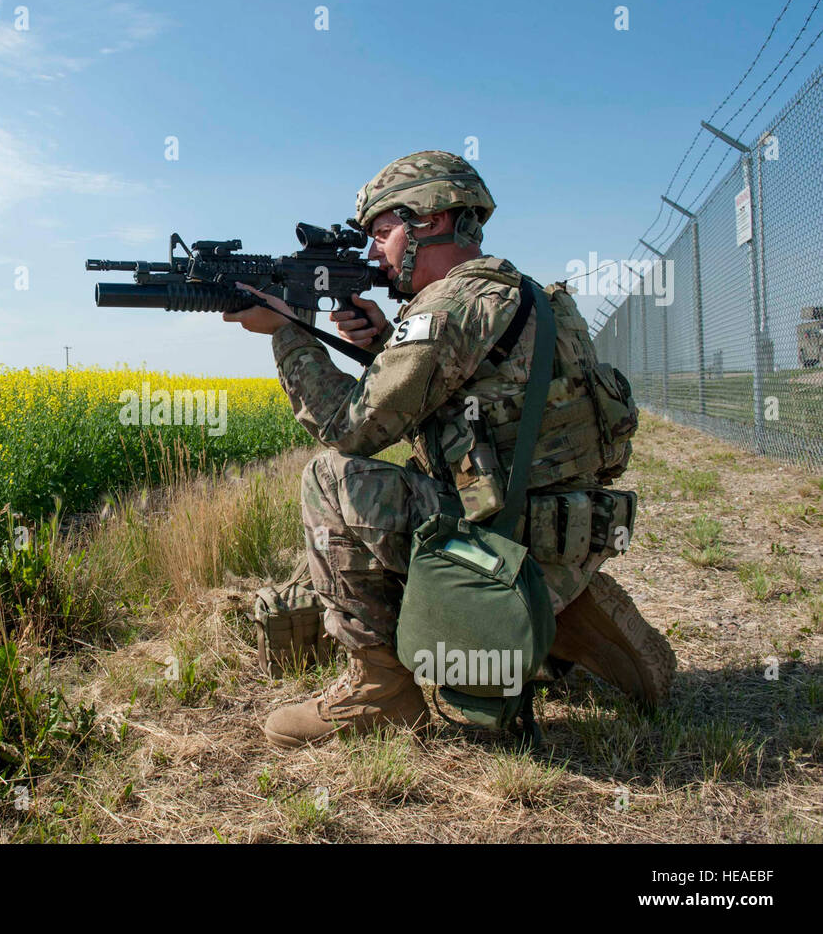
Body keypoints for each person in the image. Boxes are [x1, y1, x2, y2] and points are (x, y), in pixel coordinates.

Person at [224, 150, 675, 748]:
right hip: (564, 527)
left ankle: (382, 689)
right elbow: (474, 409)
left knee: (331, 477)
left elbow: (350, 427)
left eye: (382, 232)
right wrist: (386, 340)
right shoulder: (531, 296)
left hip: (500, 540)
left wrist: (285, 332)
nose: (373, 252)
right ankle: (563, 606)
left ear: (429, 222)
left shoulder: (445, 309)